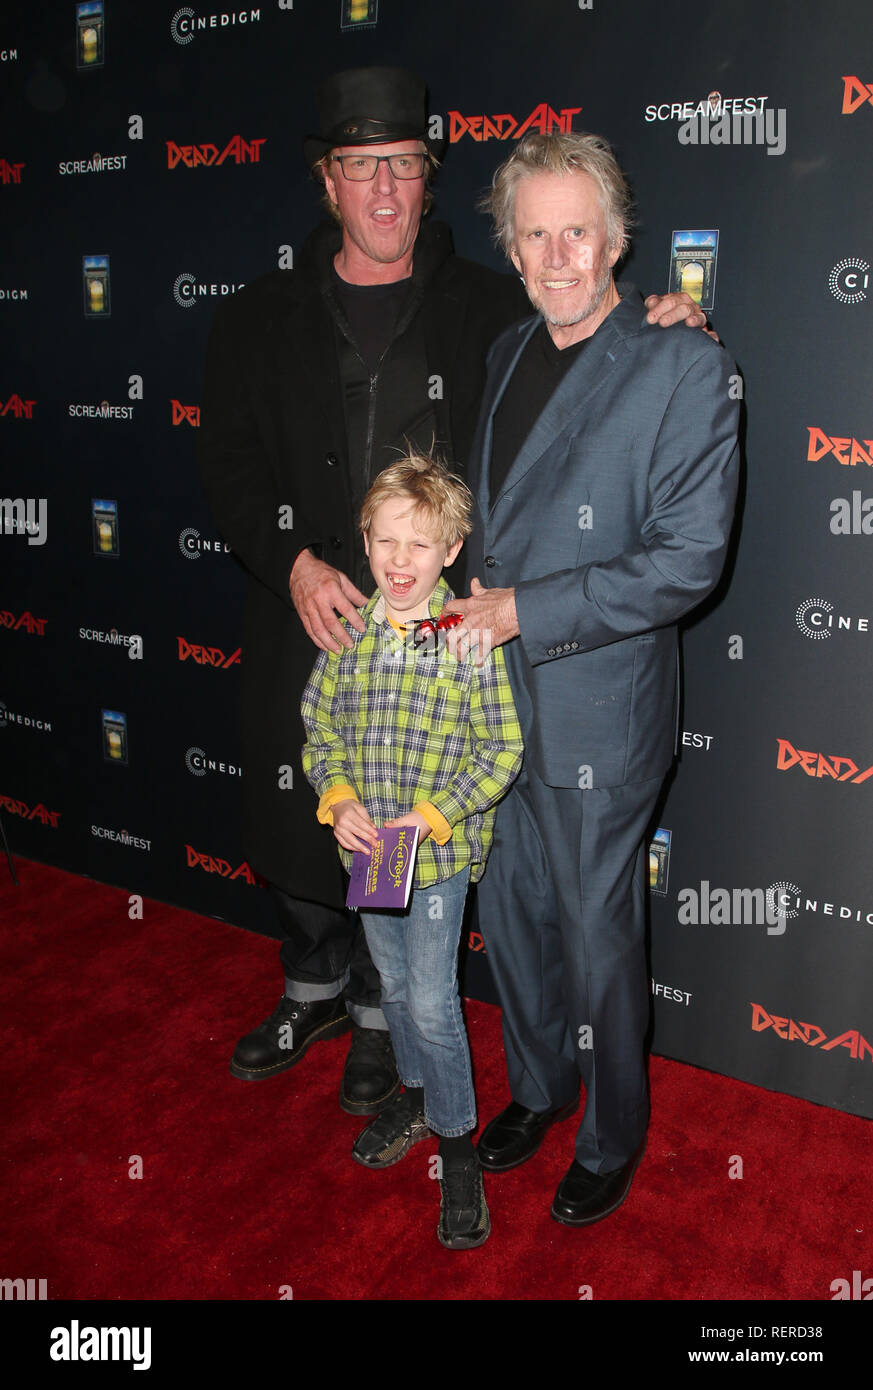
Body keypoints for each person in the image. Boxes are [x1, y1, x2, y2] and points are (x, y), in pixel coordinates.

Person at [197, 64, 710, 1117]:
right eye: (361, 166)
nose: (384, 187)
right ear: (328, 181)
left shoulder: (493, 310)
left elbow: (599, 355)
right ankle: (342, 1001)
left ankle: (428, 1037)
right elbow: (231, 464)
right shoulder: (266, 318)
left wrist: (673, 315)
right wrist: (293, 562)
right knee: (352, 835)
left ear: (428, 178)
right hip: (352, 630)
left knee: (517, 885)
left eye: (404, 163)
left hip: (477, 649)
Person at [443, 130, 740, 1227]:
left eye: (578, 232)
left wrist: (522, 610)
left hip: (597, 713)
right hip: (495, 700)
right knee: (514, 912)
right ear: (510, 246)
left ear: (617, 240)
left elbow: (686, 563)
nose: (558, 255)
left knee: (597, 935)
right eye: (536, 235)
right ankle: (538, 1086)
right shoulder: (505, 350)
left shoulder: (683, 364)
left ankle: (612, 1133)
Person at [301, 453, 523, 1248]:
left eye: (420, 544)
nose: (400, 561)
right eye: (386, 541)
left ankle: (458, 1147)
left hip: (436, 862)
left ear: (451, 549)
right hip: (368, 857)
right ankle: (419, 1096)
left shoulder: (466, 637)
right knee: (392, 985)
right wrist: (337, 798)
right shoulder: (348, 633)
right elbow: (319, 730)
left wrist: (431, 817)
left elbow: (501, 751)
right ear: (364, 541)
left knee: (431, 1001)